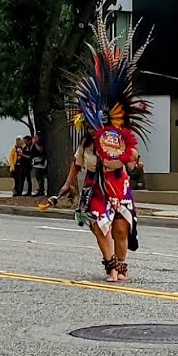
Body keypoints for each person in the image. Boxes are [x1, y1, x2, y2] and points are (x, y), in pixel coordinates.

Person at [54, 14, 150, 282]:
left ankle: (120, 265)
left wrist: (123, 162)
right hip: (95, 189)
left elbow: (133, 158)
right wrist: (68, 184)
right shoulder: (86, 144)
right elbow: (76, 164)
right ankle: (109, 265)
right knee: (100, 228)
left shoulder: (121, 138)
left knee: (120, 230)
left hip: (119, 187)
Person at [30, 132, 48, 197]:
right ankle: (40, 189)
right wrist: (33, 143)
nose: (35, 139)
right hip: (35, 162)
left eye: (36, 138)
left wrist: (35, 143)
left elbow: (41, 150)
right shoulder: (33, 145)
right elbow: (31, 150)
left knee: (40, 176)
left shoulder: (41, 143)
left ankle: (41, 190)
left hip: (41, 162)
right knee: (37, 176)